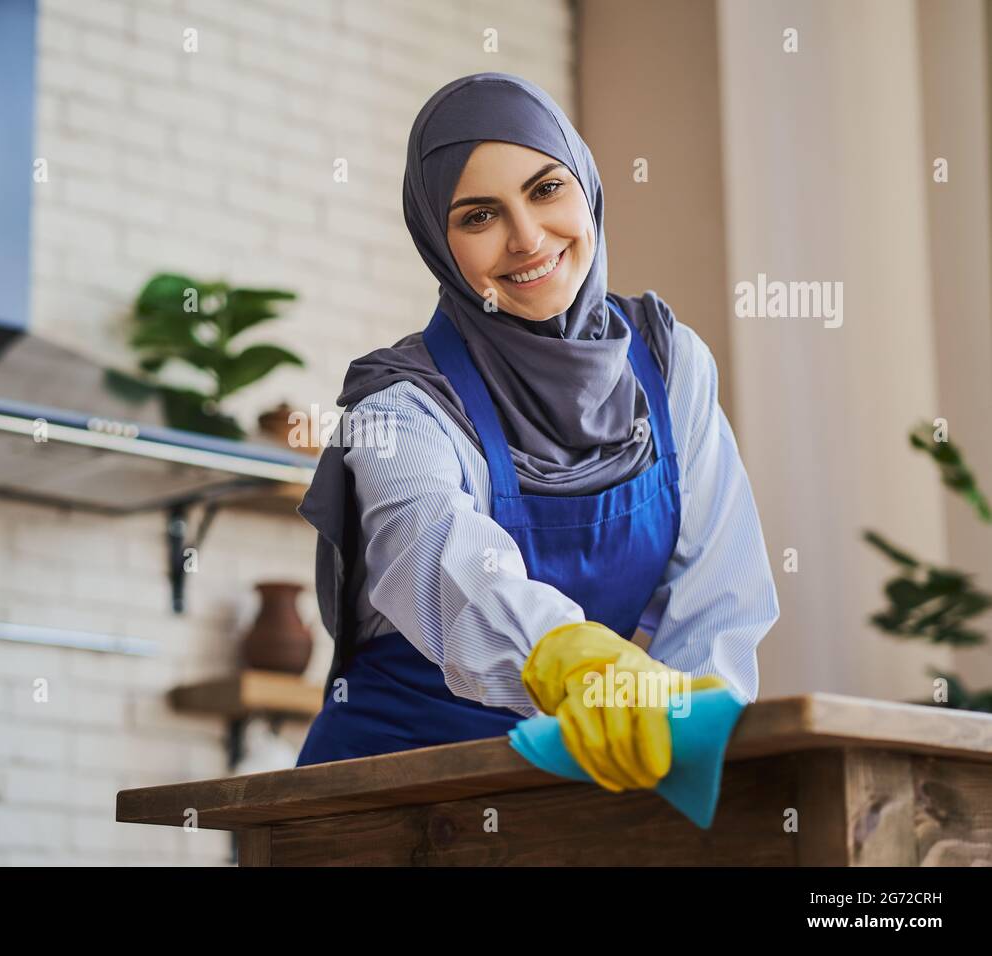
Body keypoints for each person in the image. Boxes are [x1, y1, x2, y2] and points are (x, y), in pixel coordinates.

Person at [294, 73, 779, 792]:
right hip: (393, 792)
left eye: (547, 189)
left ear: (586, 185)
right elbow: (444, 564)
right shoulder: (399, 409)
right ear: (437, 240)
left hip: (585, 783)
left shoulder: (670, 363)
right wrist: (570, 659)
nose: (527, 238)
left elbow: (721, 600)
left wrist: (691, 753)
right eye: (479, 216)